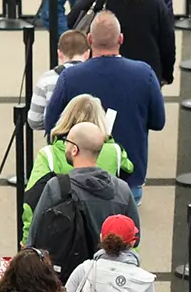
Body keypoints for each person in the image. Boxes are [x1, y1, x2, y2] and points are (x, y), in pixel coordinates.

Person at [42, 13, 167, 198]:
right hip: (127, 175)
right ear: (121, 38)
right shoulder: (144, 74)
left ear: (90, 39)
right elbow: (159, 121)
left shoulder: (70, 77)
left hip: (78, 176)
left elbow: (51, 125)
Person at [22, 93, 136, 242]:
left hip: (64, 242)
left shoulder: (50, 155)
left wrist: (27, 242)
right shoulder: (114, 151)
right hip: (106, 240)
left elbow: (31, 203)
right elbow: (128, 170)